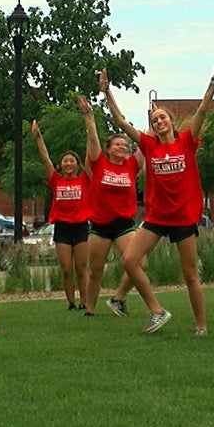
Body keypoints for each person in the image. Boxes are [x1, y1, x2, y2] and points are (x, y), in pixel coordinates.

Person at [101, 61, 214, 335]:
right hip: (156, 216)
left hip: (183, 217)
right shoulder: (148, 146)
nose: (159, 122)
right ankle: (157, 310)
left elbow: (203, 110)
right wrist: (107, 92)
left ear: (171, 121)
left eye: (163, 118)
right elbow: (120, 122)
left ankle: (201, 326)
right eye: (154, 120)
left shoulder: (186, 141)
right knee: (129, 261)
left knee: (190, 274)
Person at [78, 95, 143, 318]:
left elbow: (145, 144)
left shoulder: (132, 165)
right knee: (95, 271)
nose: (122, 147)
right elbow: (93, 140)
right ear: (108, 149)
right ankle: (89, 310)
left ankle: (118, 298)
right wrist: (89, 117)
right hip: (100, 225)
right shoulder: (99, 164)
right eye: (117, 144)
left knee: (139, 263)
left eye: (125, 145)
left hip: (124, 224)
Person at [31, 119, 90, 311]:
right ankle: (71, 302)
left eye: (72, 160)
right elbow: (45, 158)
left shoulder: (84, 180)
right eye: (65, 161)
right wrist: (38, 138)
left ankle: (85, 301)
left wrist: (90, 131)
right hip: (62, 228)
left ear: (77, 164)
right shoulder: (56, 180)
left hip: (81, 227)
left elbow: (92, 157)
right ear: (61, 164)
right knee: (66, 270)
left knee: (81, 269)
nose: (68, 163)